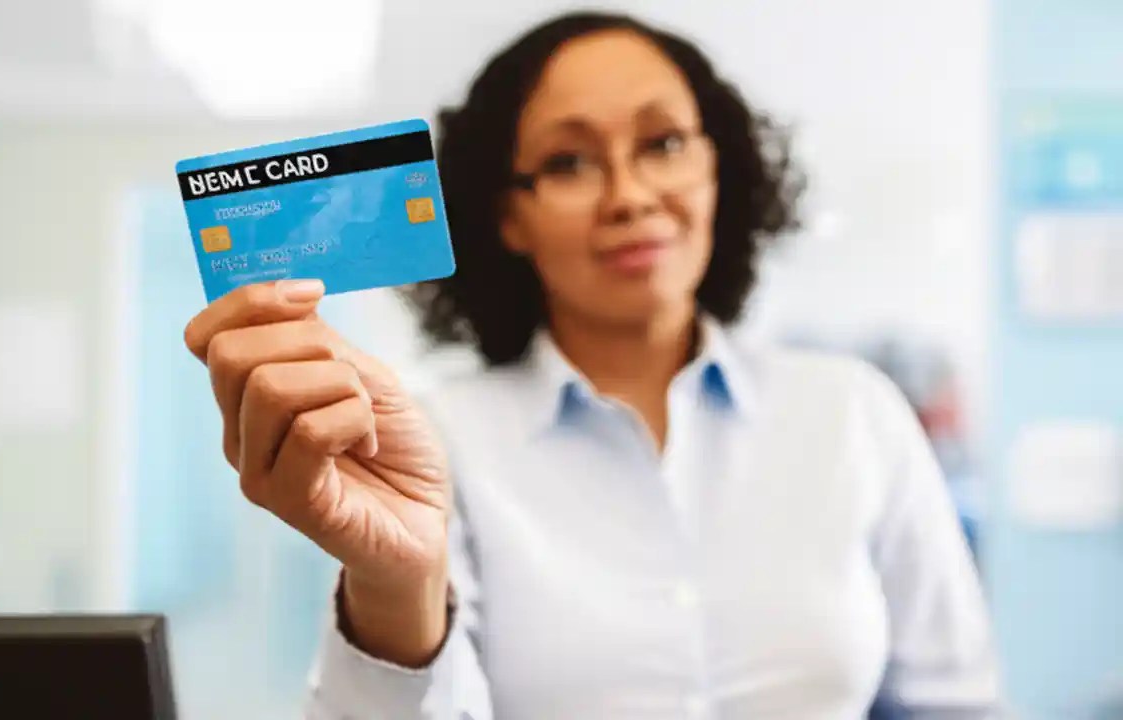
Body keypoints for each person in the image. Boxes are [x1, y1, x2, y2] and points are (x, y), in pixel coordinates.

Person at [183, 11, 998, 720]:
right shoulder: (429, 445)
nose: (629, 194)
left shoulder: (855, 415)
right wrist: (396, 586)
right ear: (508, 217)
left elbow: (958, 708)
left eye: (664, 144)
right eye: (570, 162)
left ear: (718, 166)